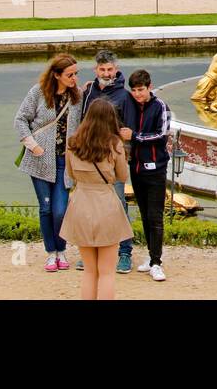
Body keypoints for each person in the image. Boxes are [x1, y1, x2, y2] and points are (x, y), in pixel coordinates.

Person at [14, 54, 83, 272]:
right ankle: (51, 253)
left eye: (76, 74)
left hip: (65, 160)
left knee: (60, 210)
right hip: (40, 159)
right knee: (45, 208)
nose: (74, 78)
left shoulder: (77, 96)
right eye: (70, 74)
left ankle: (61, 249)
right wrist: (32, 145)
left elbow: (82, 124)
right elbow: (20, 119)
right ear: (57, 75)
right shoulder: (38, 92)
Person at [60, 99, 133, 299]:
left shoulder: (73, 143)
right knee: (107, 272)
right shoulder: (114, 144)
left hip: (81, 203)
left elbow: (71, 174)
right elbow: (122, 176)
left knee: (89, 271)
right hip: (106, 204)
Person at [78, 50, 135, 275]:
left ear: (116, 69)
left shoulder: (125, 96)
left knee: (118, 205)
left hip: (112, 158)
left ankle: (124, 252)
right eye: (102, 69)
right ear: (96, 70)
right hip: (91, 158)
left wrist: (123, 156)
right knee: (91, 207)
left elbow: (127, 129)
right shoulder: (89, 90)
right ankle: (92, 250)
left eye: (110, 69)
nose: (106, 73)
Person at [123, 69, 171, 281]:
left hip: (156, 170)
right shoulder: (132, 105)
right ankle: (151, 258)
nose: (137, 94)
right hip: (137, 169)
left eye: (141, 90)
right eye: (133, 90)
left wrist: (134, 136)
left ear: (149, 87)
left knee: (155, 216)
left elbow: (162, 135)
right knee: (144, 215)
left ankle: (157, 262)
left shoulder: (160, 106)